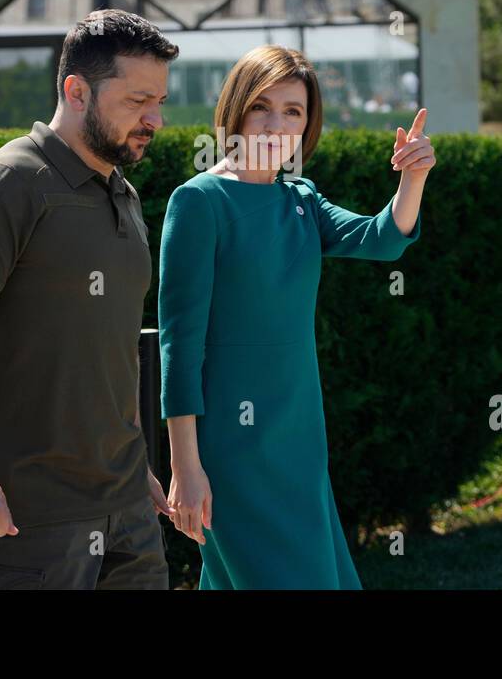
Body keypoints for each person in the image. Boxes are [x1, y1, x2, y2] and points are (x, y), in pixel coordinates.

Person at [159, 45, 434, 589]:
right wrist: (185, 469)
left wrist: (412, 179)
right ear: (235, 109)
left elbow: (380, 239)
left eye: (294, 111)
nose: (276, 124)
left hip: (299, 436)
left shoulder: (301, 197)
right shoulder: (198, 201)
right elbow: (179, 347)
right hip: (231, 448)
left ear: (308, 124)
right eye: (262, 106)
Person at [0, 9, 178, 590]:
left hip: (129, 510)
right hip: (29, 518)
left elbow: (116, 342)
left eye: (159, 101)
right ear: (76, 90)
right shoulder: (6, 183)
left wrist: (138, 469)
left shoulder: (125, 194)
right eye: (138, 101)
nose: (155, 119)